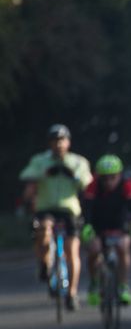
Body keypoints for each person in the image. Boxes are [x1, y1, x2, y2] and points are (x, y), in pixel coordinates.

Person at [20, 124, 93, 309]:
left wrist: (73, 174)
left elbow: (88, 183)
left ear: (68, 142)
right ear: (49, 143)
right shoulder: (40, 160)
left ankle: (72, 293)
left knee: (72, 251)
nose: (58, 144)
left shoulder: (78, 161)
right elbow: (26, 175)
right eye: (54, 141)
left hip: (69, 209)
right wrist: (44, 173)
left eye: (62, 140)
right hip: (46, 207)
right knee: (43, 229)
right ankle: (45, 264)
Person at [81, 155, 131, 306]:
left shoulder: (127, 185)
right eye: (104, 178)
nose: (109, 182)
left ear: (120, 175)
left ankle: (123, 285)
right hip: (98, 225)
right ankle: (94, 283)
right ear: (99, 177)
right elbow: (87, 209)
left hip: (119, 225)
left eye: (113, 177)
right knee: (94, 249)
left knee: (123, 247)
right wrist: (87, 226)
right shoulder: (93, 186)